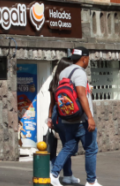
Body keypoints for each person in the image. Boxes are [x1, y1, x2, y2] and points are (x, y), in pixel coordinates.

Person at [49, 47, 100, 186]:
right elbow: (81, 95)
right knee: (91, 149)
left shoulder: (63, 72)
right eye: (88, 59)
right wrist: (90, 117)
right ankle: (91, 182)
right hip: (81, 120)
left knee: (69, 147)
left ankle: (54, 174)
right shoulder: (80, 73)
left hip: (67, 118)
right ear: (84, 58)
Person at [47, 57, 81, 185]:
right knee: (70, 147)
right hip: (66, 114)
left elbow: (52, 103)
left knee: (67, 144)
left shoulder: (54, 83)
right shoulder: (69, 82)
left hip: (57, 115)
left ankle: (68, 174)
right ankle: (53, 167)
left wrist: (50, 117)